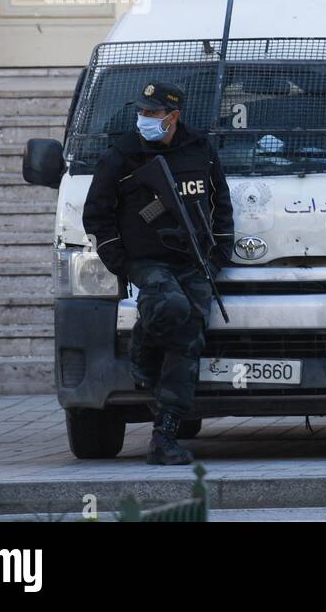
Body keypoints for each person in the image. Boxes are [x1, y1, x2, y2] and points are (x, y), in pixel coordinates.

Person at [82, 81, 234, 465]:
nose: (144, 119)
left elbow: (222, 205)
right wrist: (123, 263)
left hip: (193, 260)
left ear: (173, 117)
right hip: (147, 263)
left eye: (152, 113)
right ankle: (143, 349)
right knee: (170, 309)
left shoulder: (198, 149)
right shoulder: (123, 155)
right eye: (143, 112)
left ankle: (164, 435)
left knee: (188, 340)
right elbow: (96, 214)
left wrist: (217, 256)